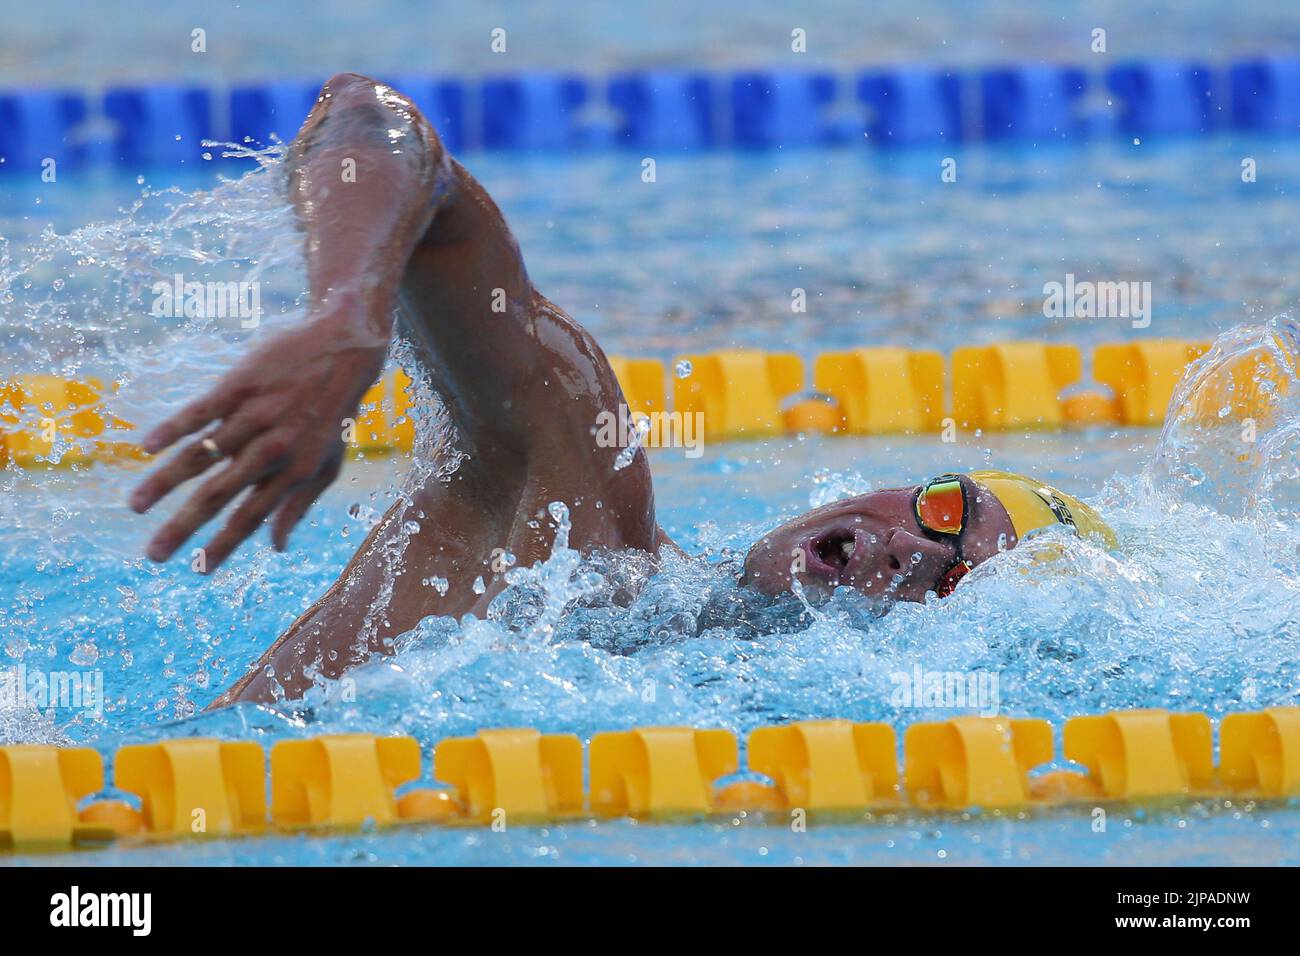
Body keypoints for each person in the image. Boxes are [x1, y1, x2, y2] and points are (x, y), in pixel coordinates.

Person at [125, 74, 1113, 707]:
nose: (905, 548)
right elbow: (375, 121)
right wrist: (346, 318)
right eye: (943, 508)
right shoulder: (573, 509)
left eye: (950, 581)